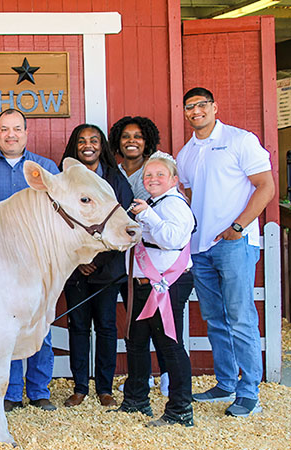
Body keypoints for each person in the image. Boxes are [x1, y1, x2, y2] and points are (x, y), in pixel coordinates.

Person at [177, 87, 275, 417]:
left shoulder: (239, 140)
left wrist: (238, 226)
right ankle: (226, 384)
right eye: (190, 107)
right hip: (201, 247)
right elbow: (192, 197)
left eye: (202, 105)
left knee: (241, 318)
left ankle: (249, 393)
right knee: (215, 319)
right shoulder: (186, 153)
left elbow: (266, 186)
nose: (195, 111)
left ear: (214, 107)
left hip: (234, 244)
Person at [0, 109, 58, 412]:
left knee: (39, 325)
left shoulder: (46, 169)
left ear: (26, 132)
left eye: (17, 129)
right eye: (5, 129)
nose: (11, 134)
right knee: (3, 327)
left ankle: (39, 390)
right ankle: (9, 394)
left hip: (38, 262)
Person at [116, 152, 195, 427]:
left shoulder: (174, 205)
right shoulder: (153, 203)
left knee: (170, 345)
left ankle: (180, 409)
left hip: (166, 283)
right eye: (148, 175)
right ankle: (136, 399)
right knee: (136, 341)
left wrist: (148, 215)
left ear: (173, 179)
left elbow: (172, 240)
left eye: (160, 174)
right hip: (144, 283)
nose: (153, 179)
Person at [60, 124, 133, 408]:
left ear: (102, 145)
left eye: (93, 140)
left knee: (106, 327)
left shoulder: (116, 180)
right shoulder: (65, 180)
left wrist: (95, 258)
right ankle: (79, 387)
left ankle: (104, 388)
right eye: (81, 141)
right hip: (76, 270)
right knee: (77, 327)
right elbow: (61, 224)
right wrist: (80, 260)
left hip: (107, 269)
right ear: (74, 146)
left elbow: (122, 224)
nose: (87, 145)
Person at [108, 116, 170, 396]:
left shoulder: (156, 169)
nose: (131, 141)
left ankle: (168, 374)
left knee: (163, 322)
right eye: (126, 136)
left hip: (154, 258)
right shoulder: (115, 171)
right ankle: (140, 377)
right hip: (125, 258)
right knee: (135, 322)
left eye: (138, 136)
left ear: (147, 140)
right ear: (118, 142)